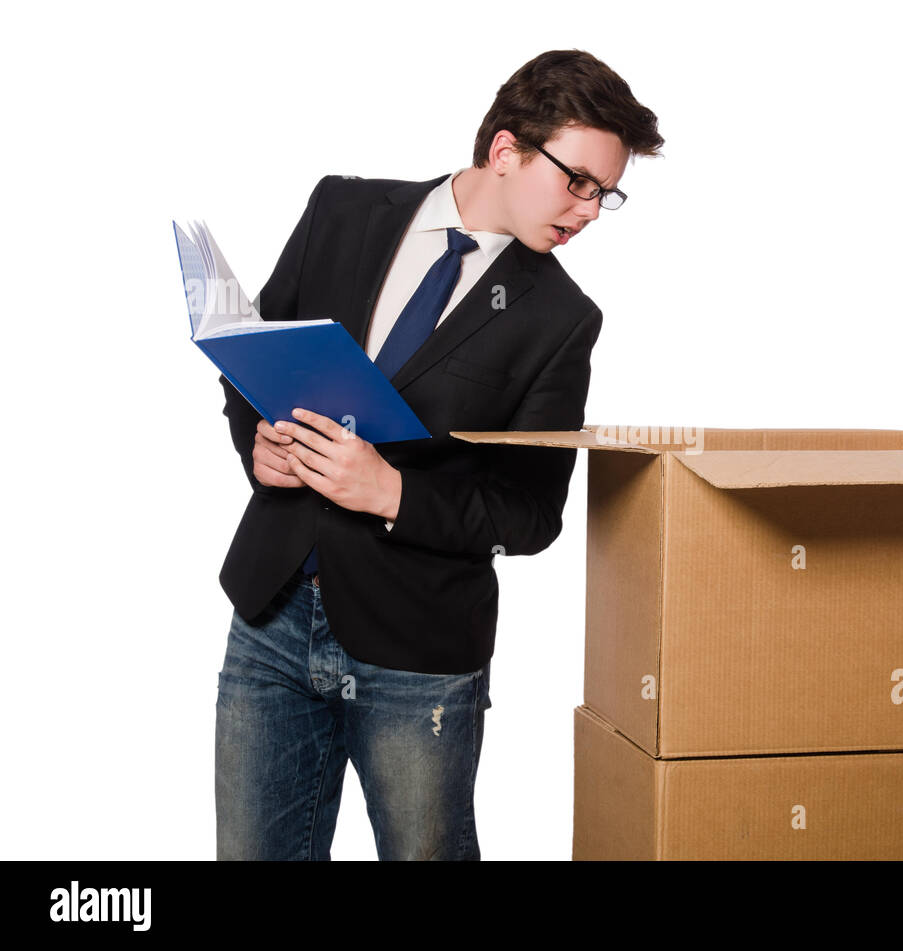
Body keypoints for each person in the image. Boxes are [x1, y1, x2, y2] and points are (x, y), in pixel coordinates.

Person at [213, 49, 663, 860]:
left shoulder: (561, 319)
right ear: (504, 150)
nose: (590, 211)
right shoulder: (343, 212)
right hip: (272, 613)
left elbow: (530, 514)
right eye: (579, 182)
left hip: (417, 654)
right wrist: (256, 442)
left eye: (607, 193)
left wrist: (391, 493)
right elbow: (252, 360)